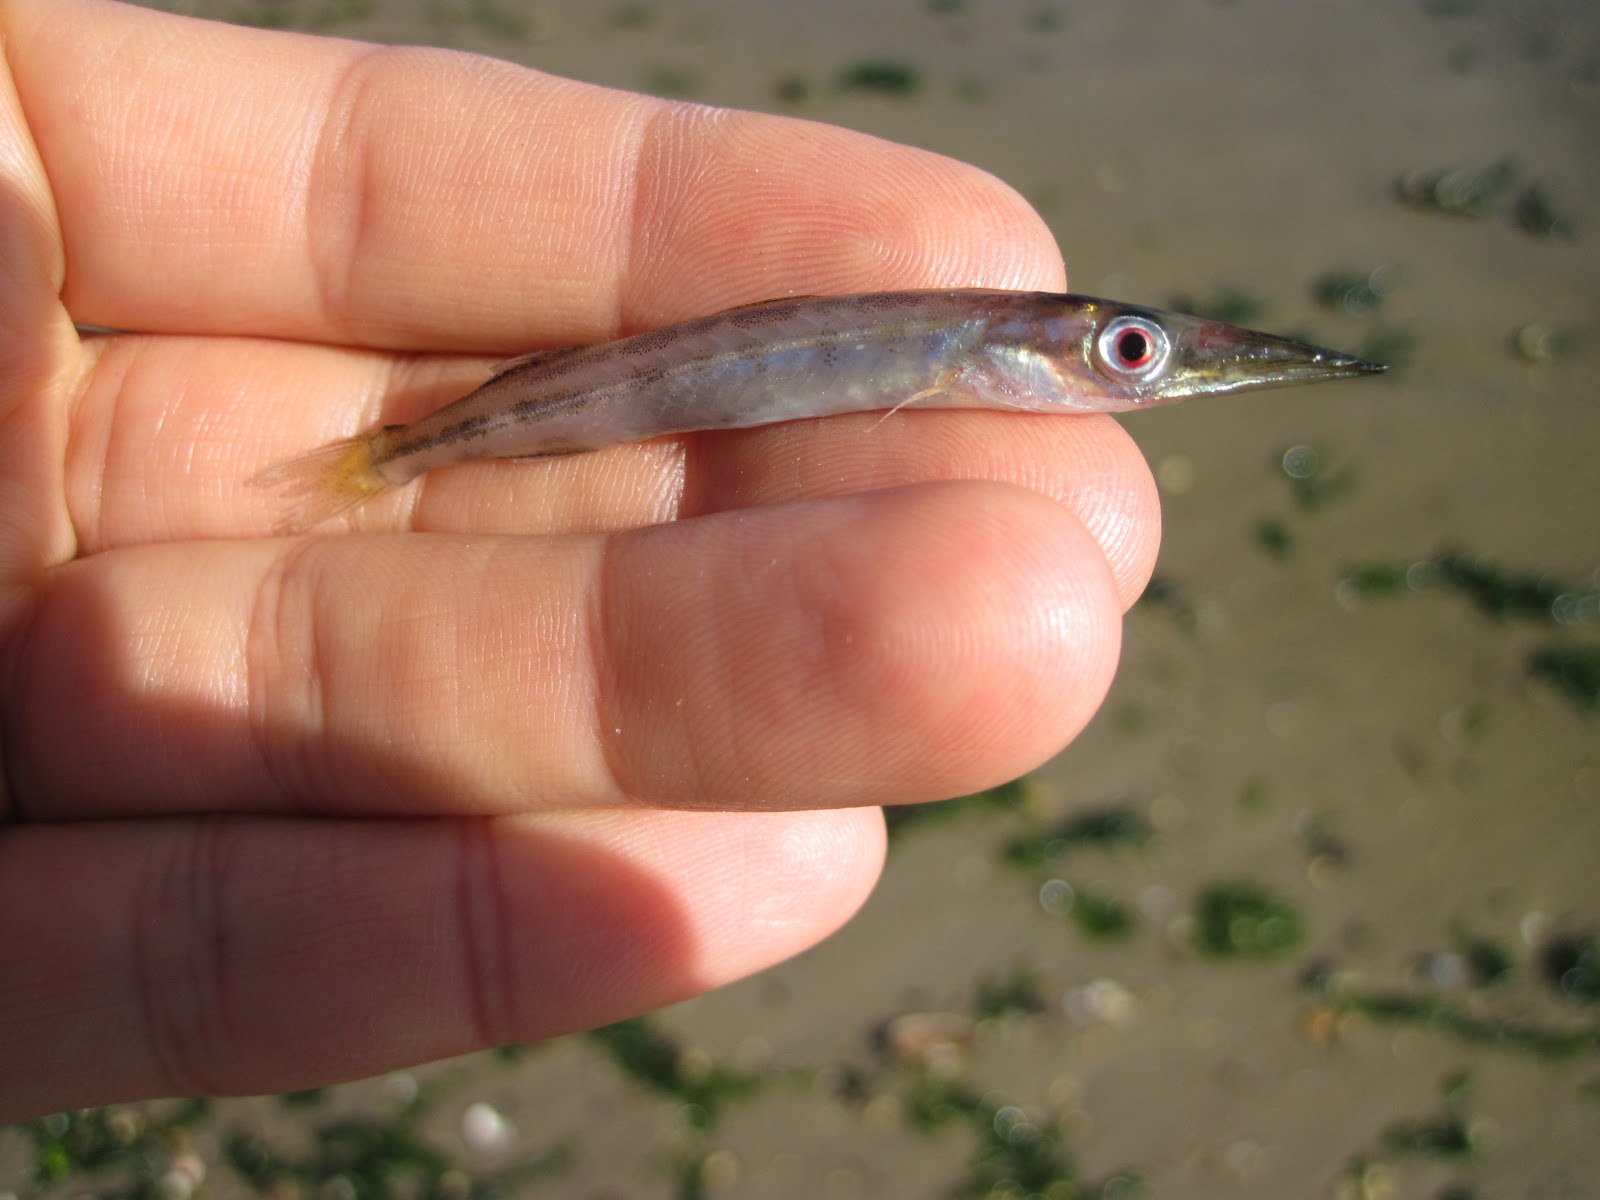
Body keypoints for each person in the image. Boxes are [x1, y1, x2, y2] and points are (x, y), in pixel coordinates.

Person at [0, 0, 1158, 1121]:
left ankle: (396, 456)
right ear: (1018, 345)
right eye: (1125, 350)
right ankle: (392, 457)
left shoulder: (955, 349)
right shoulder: (954, 329)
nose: (1127, 367)